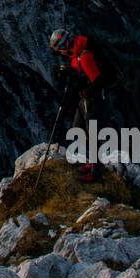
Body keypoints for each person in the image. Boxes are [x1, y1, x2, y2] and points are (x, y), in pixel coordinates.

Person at [49, 28, 113, 182]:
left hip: (92, 100)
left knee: (92, 133)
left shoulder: (84, 56)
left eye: (60, 50)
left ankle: (95, 172)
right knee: (78, 128)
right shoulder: (77, 53)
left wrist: (85, 89)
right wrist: (70, 73)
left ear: (65, 46)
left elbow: (97, 81)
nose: (61, 53)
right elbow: (82, 74)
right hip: (85, 99)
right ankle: (90, 162)